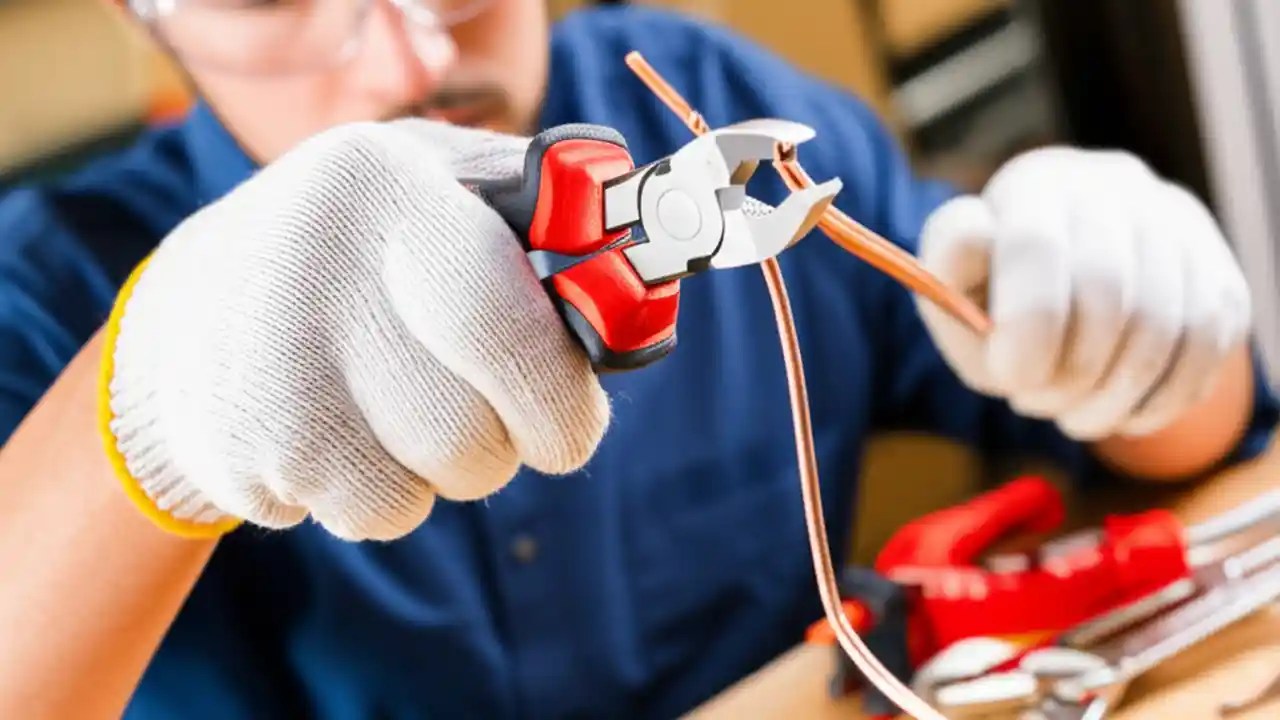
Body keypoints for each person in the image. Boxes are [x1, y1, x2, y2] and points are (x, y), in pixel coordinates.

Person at [1, 1, 1274, 718]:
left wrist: (1149, 326)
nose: (409, 55)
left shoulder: (715, 100)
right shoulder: (45, 291)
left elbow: (1170, 442)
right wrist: (148, 420)